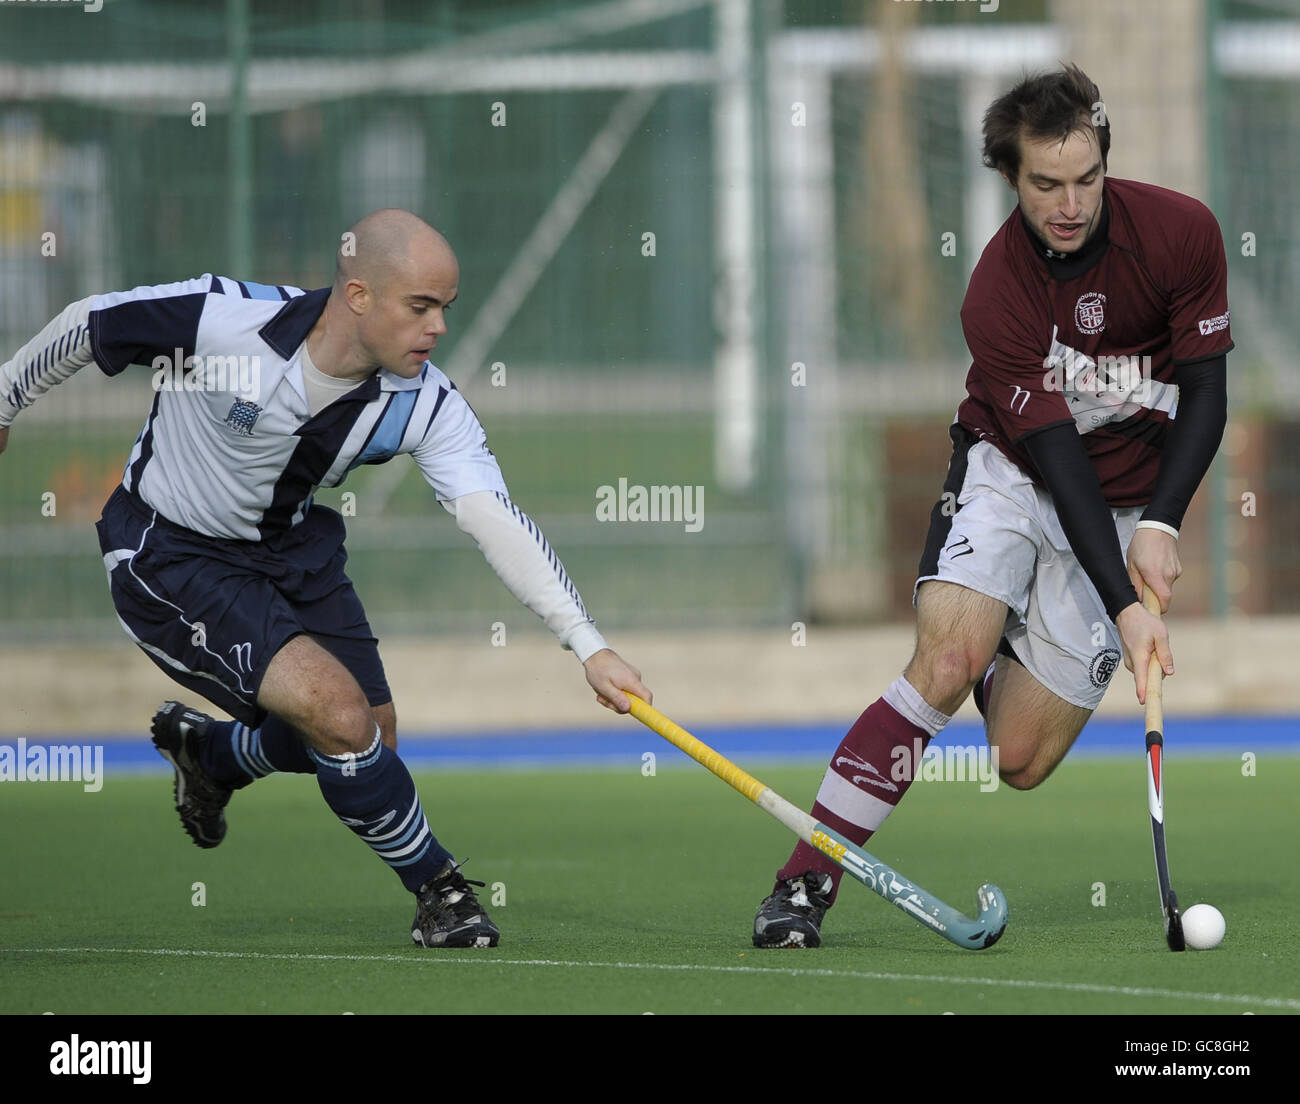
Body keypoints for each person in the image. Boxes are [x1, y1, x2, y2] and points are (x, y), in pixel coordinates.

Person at [0, 208, 651, 948]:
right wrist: (4, 398)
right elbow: (91, 322)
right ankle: (441, 893)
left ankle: (214, 756)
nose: (438, 328)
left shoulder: (425, 403)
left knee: (373, 735)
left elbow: (490, 516)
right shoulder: (226, 321)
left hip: (290, 549)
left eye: (446, 308)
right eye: (421, 306)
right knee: (342, 720)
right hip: (170, 553)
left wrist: (588, 645)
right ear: (360, 295)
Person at [752, 64, 1230, 948]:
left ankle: (1001, 635)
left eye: (1086, 179)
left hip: (1126, 503)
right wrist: (1125, 608)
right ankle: (802, 884)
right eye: (1046, 183)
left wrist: (1162, 521)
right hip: (1012, 474)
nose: (1071, 203)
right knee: (943, 664)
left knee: (1017, 760)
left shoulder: (1182, 233)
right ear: (1010, 177)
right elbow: (1056, 456)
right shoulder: (997, 293)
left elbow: (1205, 393)